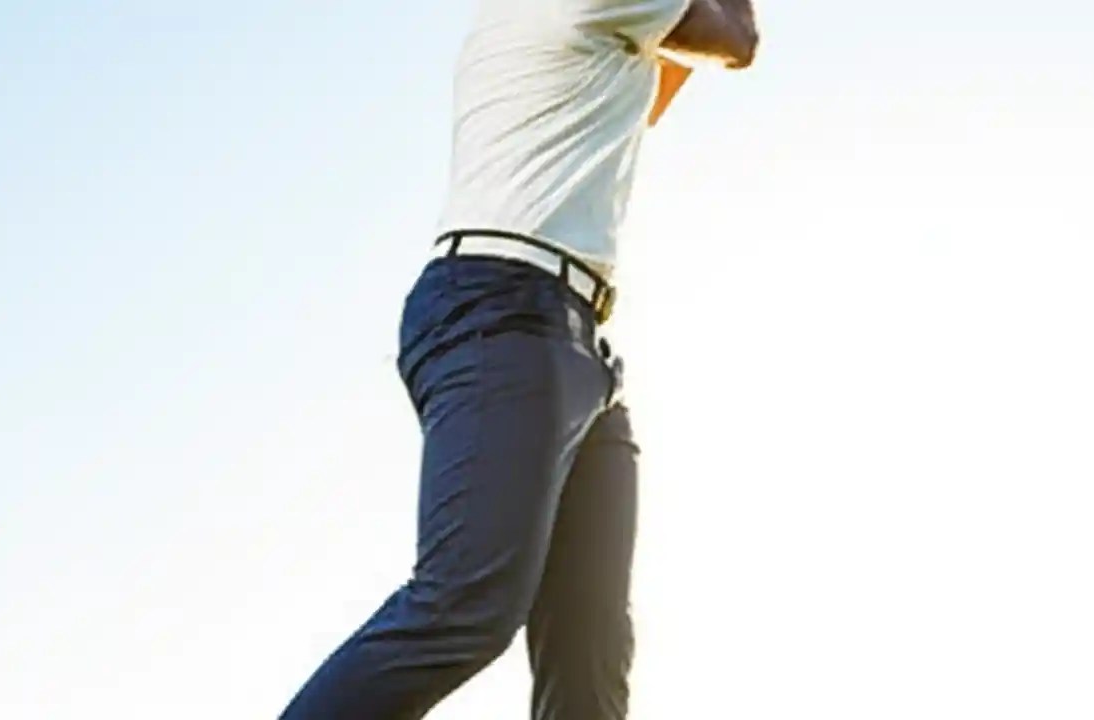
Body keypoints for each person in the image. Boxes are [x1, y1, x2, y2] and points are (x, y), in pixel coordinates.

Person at [281, 1, 758, 717]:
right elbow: (736, 39)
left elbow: (648, 94)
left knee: (588, 650)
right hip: (508, 309)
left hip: (563, 332)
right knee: (467, 604)